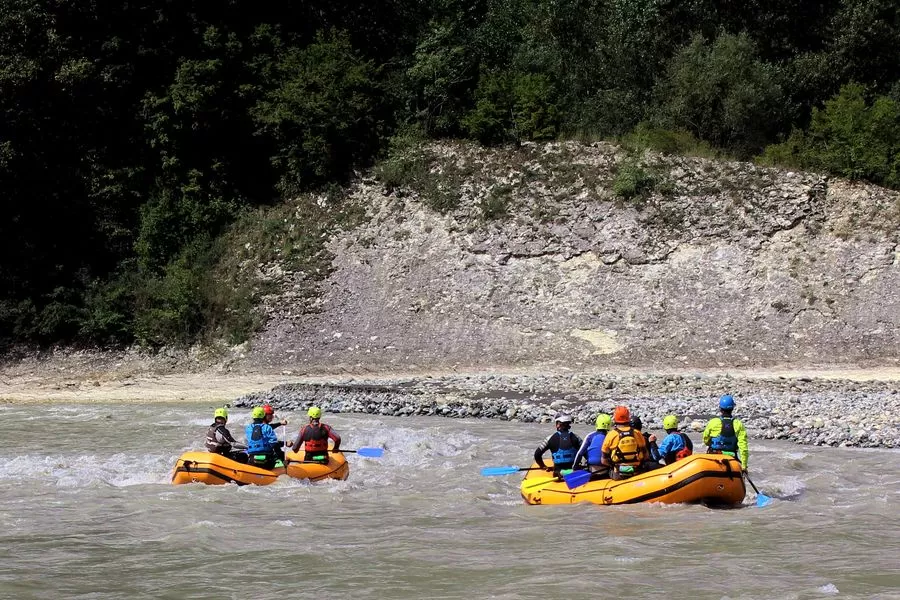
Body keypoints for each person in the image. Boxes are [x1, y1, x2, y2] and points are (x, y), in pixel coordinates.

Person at [601, 405, 651, 479]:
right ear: (628, 417)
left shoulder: (611, 435)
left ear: (615, 418)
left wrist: (612, 465)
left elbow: (603, 461)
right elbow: (646, 455)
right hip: (636, 471)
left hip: (618, 474)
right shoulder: (637, 433)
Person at [703, 394, 749, 472]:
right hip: (731, 458)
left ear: (720, 409)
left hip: (714, 456)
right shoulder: (738, 424)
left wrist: (711, 444)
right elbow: (743, 448)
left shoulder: (713, 422)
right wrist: (744, 466)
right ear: (732, 408)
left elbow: (706, 440)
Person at [572, 413, 611, 479]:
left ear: (597, 424)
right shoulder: (611, 436)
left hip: (592, 470)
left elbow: (580, 453)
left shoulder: (590, 436)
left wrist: (574, 468)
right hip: (607, 470)